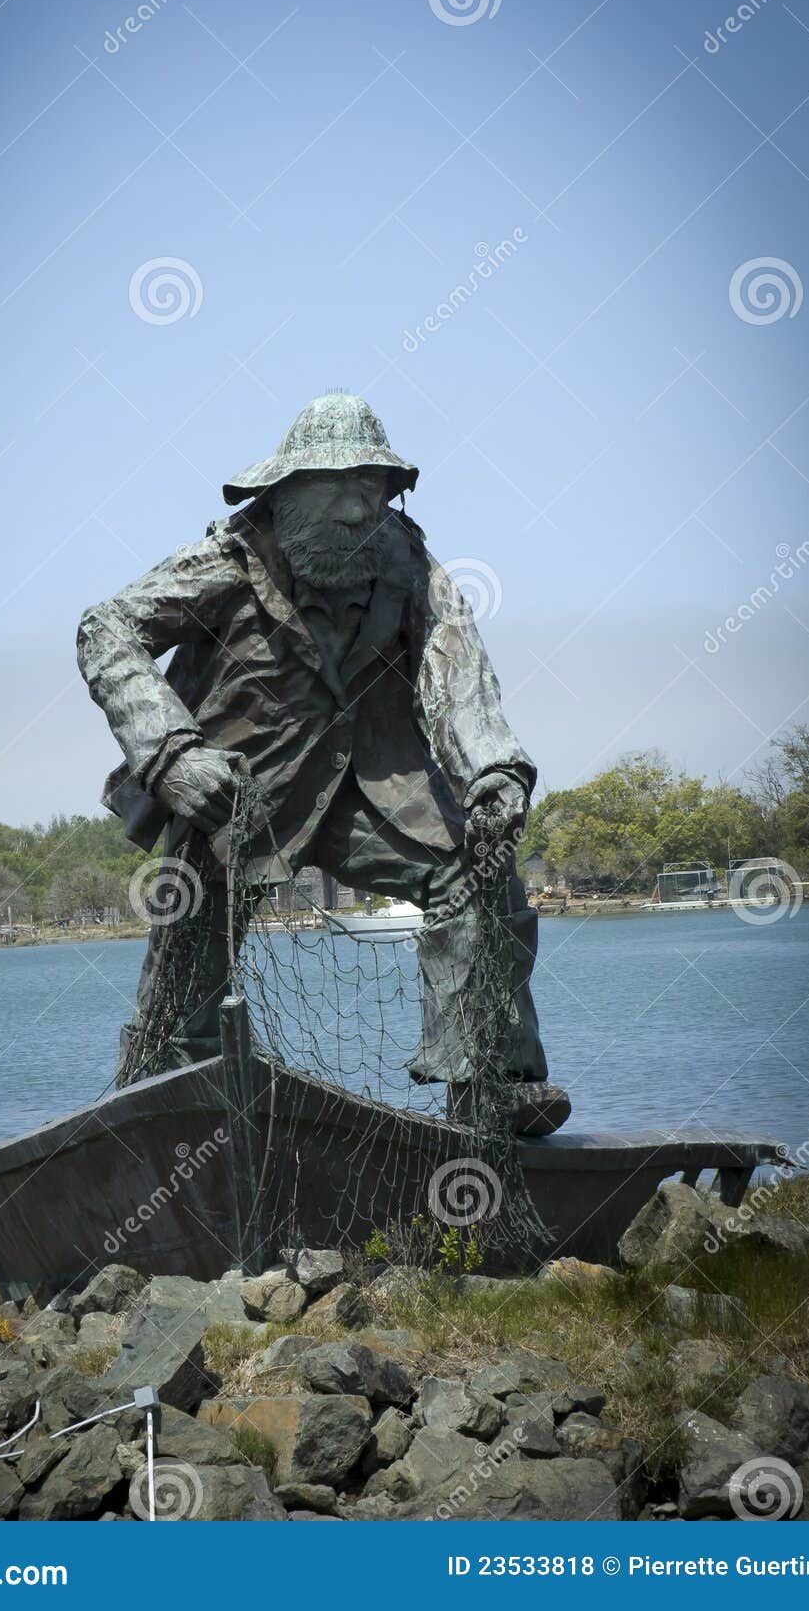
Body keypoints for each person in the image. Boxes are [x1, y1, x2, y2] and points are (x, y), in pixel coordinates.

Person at [77, 393, 567, 1131]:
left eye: (368, 487)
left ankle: (489, 1086)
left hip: (371, 791)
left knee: (475, 860)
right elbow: (106, 628)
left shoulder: (407, 563)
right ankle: (157, 1115)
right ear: (286, 492)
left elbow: (457, 672)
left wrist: (494, 769)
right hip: (236, 795)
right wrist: (172, 753)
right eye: (333, 487)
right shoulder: (230, 559)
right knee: (186, 971)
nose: (352, 507)